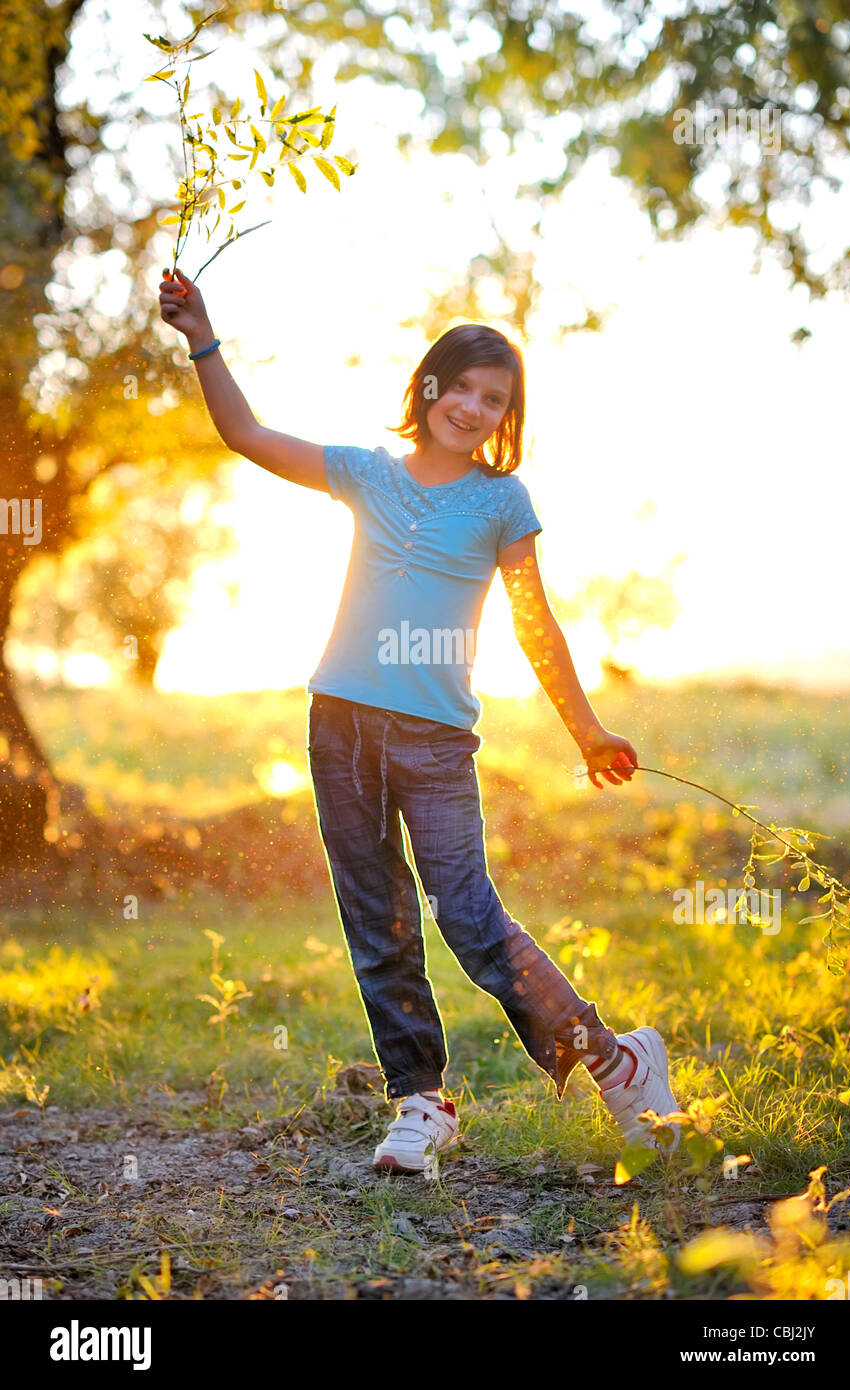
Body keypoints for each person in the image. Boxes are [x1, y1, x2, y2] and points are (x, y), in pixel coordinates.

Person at [159, 266, 681, 1176]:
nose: (473, 408)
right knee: (376, 916)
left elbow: (534, 620)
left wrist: (586, 731)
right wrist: (202, 336)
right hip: (339, 728)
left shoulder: (500, 502)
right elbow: (243, 434)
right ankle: (420, 1102)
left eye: (495, 398)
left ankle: (613, 1058)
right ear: (427, 386)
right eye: (462, 388)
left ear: (506, 415)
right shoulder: (363, 474)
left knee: (468, 915)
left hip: (436, 742)